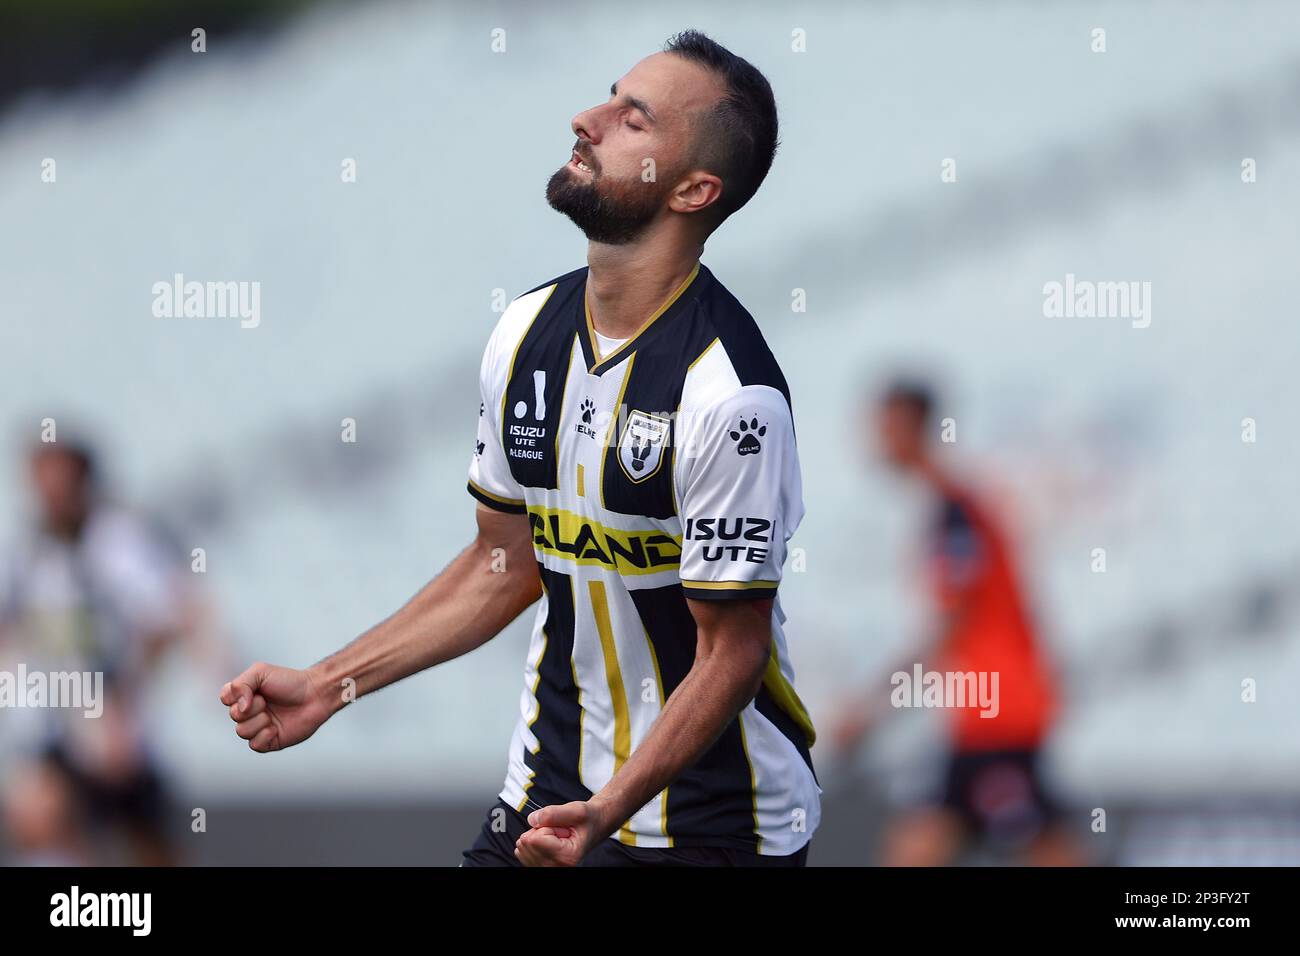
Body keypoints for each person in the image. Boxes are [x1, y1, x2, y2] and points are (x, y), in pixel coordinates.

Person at [221, 30, 820, 867]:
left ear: (693, 188)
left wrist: (609, 809)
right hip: (547, 797)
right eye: (608, 95)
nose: (587, 119)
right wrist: (329, 684)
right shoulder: (525, 332)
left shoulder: (730, 395)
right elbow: (505, 563)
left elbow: (734, 650)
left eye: (632, 120)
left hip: (710, 833)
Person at [831, 380, 1082, 866]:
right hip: (984, 715)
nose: (877, 440)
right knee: (921, 845)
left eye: (885, 427)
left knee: (1044, 849)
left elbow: (953, 624)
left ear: (913, 428)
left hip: (1000, 714)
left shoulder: (955, 514)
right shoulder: (955, 507)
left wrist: (872, 709)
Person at [0, 437, 194, 865]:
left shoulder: (117, 544)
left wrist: (122, 702)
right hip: (51, 715)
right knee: (36, 816)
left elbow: (165, 618)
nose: (48, 493)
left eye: (58, 480)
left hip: (111, 722)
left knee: (142, 834)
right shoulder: (26, 551)